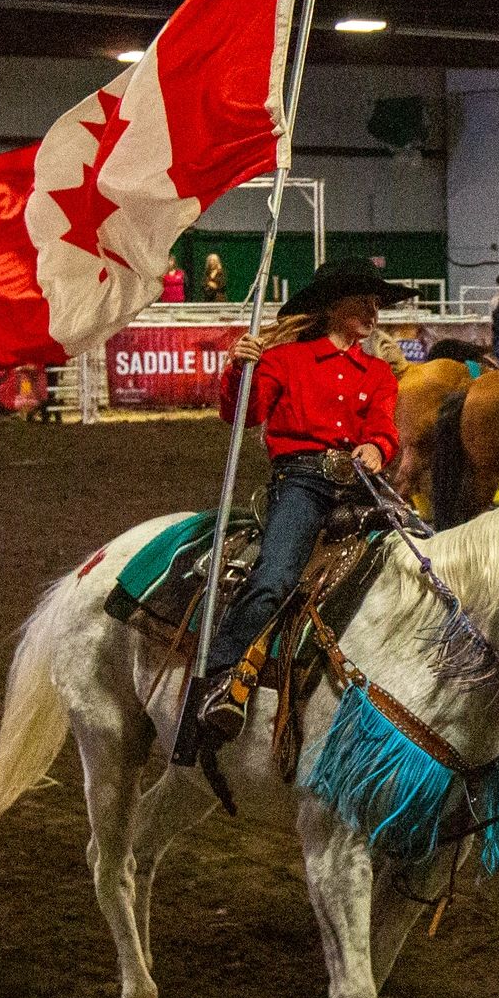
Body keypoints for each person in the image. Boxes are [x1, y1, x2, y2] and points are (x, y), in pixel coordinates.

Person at [189, 257, 413, 744]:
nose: (375, 312)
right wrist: (239, 371)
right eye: (365, 303)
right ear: (336, 307)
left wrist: (377, 446)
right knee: (275, 578)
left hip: (360, 482)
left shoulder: (377, 373)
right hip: (301, 481)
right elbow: (244, 416)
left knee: (420, 552)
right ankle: (220, 677)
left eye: (377, 304)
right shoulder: (283, 361)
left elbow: (383, 430)